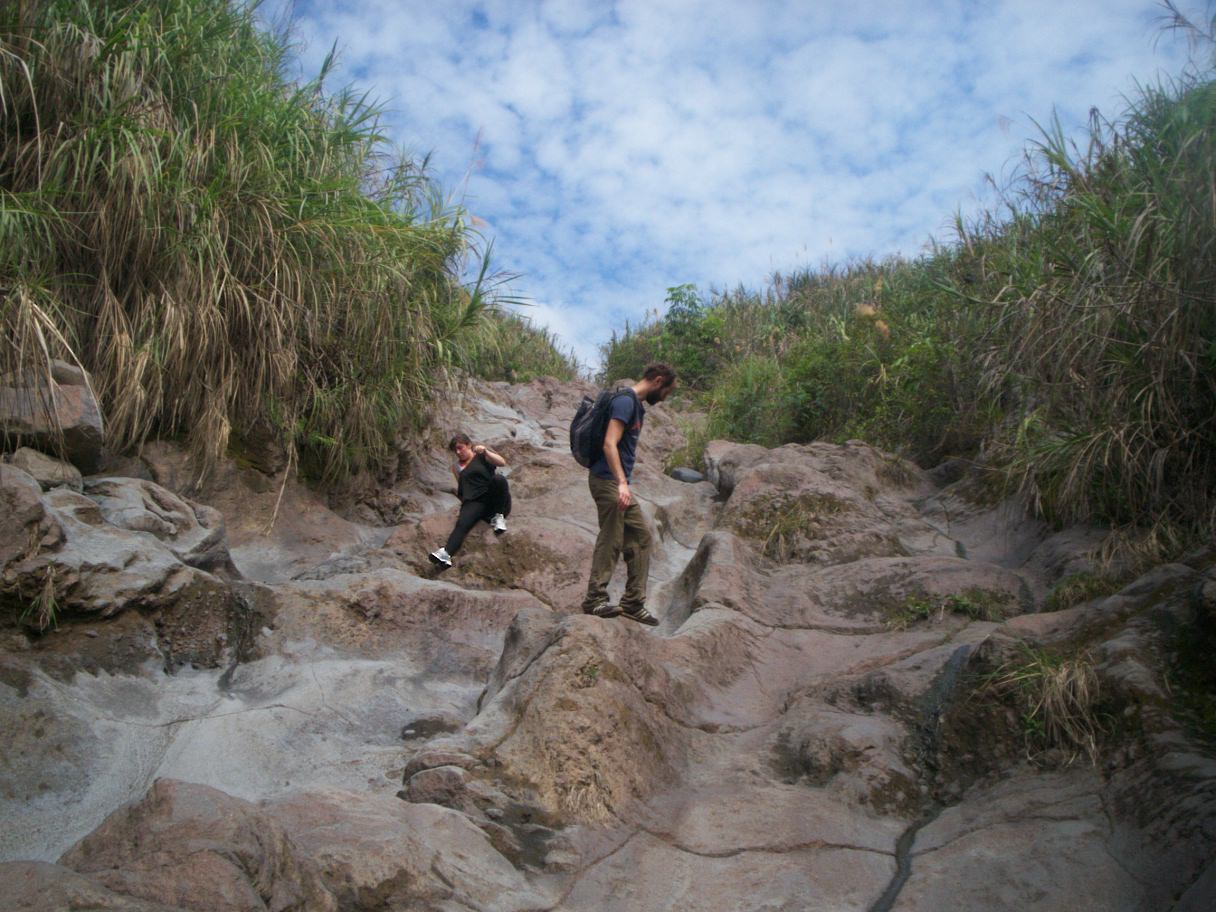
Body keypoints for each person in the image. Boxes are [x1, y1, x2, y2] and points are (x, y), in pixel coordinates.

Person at [580, 363, 677, 625]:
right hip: (607, 481)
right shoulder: (625, 402)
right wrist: (622, 483)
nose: (666, 397)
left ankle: (633, 602)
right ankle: (594, 599)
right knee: (611, 537)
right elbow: (609, 443)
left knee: (641, 536)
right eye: (667, 391)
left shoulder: (634, 404)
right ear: (658, 381)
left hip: (614, 482)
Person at [429, 434, 510, 568]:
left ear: (468, 445)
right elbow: (463, 488)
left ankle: (498, 517)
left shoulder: (482, 456)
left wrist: (486, 451)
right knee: (462, 523)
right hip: (475, 502)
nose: (458, 452)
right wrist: (465, 507)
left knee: (499, 479)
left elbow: (502, 462)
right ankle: (446, 554)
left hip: (492, 498)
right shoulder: (456, 467)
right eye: (455, 450)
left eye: (460, 448)